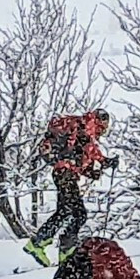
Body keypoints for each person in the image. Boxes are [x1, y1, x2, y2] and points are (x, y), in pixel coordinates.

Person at [23, 109, 116, 267]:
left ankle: (48, 245)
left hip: (64, 174)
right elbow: (90, 152)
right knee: (78, 213)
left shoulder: (77, 128)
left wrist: (94, 171)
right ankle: (57, 247)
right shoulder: (86, 128)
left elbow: (79, 159)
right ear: (100, 122)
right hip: (65, 175)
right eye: (104, 127)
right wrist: (106, 162)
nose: (103, 131)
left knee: (66, 211)